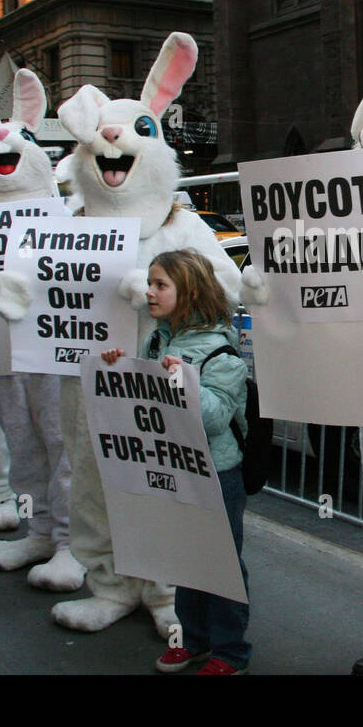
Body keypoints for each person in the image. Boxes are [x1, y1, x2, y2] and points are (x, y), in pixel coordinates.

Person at [101, 249, 251, 675]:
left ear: (190, 291)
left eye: (160, 285)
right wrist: (118, 370)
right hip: (178, 469)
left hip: (217, 474)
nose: (149, 292)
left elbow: (216, 417)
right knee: (186, 559)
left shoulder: (220, 350)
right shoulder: (158, 338)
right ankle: (194, 641)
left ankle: (229, 653)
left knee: (221, 565)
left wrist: (181, 382)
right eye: (150, 283)